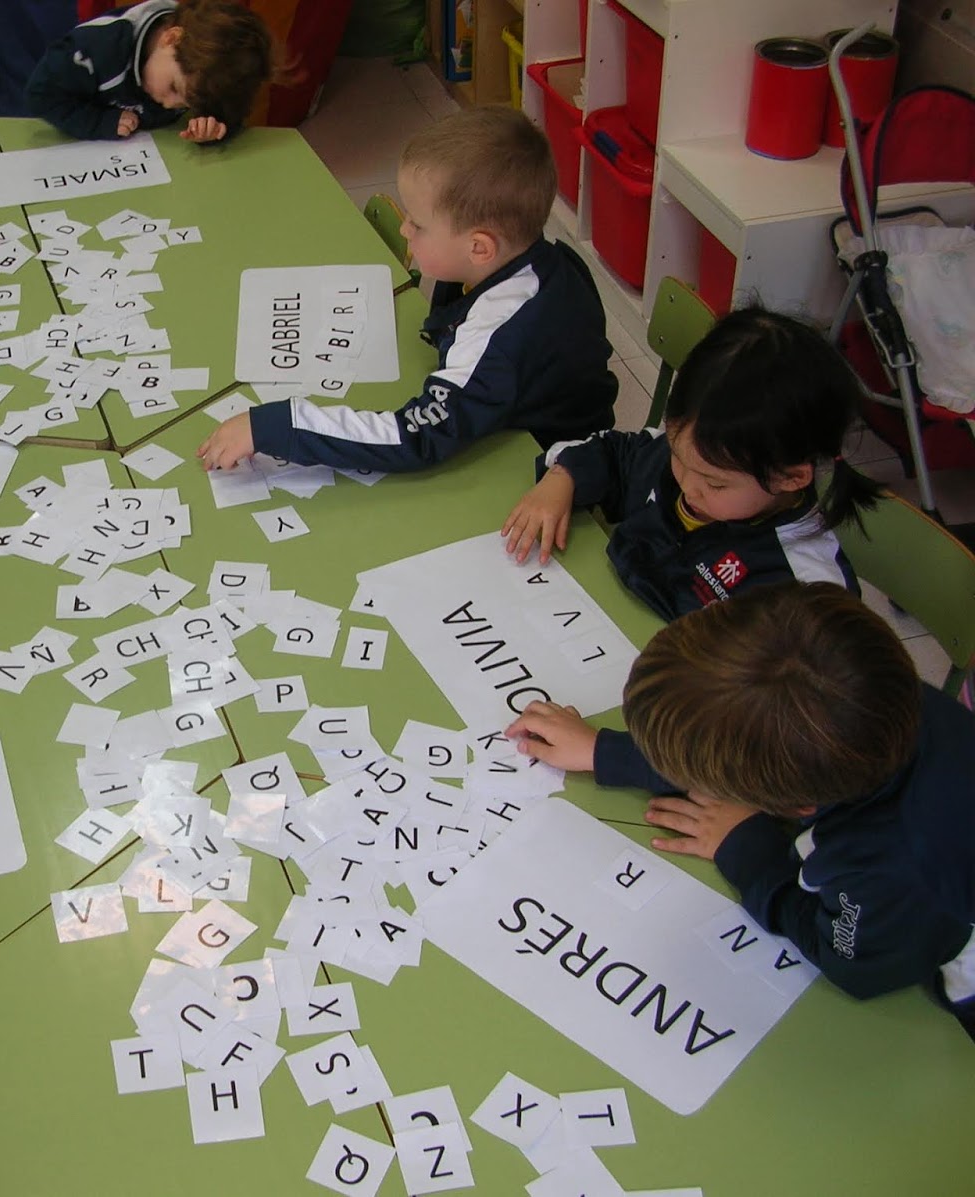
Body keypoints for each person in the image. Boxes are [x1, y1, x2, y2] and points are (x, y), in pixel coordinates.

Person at [504, 582, 975, 1031]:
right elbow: (754, 731)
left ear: (795, 805)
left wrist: (747, 848)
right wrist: (606, 753)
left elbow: (852, 966)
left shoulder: (890, 866)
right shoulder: (863, 683)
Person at [198, 106, 617, 472]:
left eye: (417, 224)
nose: (404, 228)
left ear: (479, 247)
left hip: (543, 468)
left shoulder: (502, 335)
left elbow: (414, 438)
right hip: (524, 427)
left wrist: (274, 426)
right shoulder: (542, 260)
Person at [501, 307, 881, 619]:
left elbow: (796, 697)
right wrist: (563, 477)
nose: (686, 486)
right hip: (598, 614)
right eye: (679, 459)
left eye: (715, 484)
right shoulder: (688, 461)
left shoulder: (805, 592)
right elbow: (615, 452)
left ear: (789, 478)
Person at [27, 0, 277, 144]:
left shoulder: (203, 73)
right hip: (80, 148)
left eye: (186, 103)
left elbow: (227, 114)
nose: (170, 105)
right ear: (170, 39)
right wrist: (100, 122)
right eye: (173, 88)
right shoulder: (95, 49)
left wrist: (214, 129)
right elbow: (41, 95)